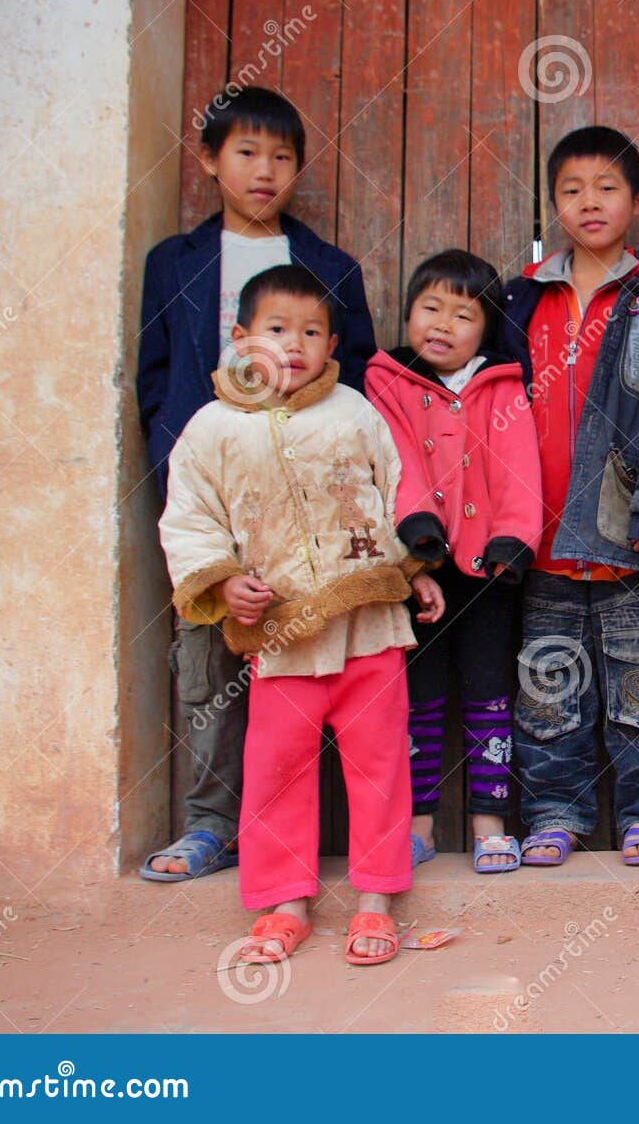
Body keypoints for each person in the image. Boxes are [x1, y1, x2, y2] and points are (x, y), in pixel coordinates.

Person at [159, 265, 435, 965]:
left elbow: (398, 486)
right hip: (280, 635)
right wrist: (222, 584)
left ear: (332, 342)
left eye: (311, 331)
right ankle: (287, 902)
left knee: (378, 763)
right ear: (241, 337)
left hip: (368, 622)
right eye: (277, 329)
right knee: (276, 766)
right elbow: (189, 518)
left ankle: (375, 899)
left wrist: (415, 570)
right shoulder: (211, 428)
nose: (294, 344)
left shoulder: (353, 411)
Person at [136, 86, 376, 882]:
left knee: (313, 661)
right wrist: (180, 468)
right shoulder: (173, 261)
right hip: (212, 491)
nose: (264, 170)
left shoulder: (330, 268)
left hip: (310, 503)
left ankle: (303, 840)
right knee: (207, 660)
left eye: (280, 156)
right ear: (209, 161)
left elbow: (362, 384)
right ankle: (209, 823)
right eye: (245, 152)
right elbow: (155, 377)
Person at [500, 125, 639, 867]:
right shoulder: (521, 300)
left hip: (629, 534)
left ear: (636, 199)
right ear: (553, 206)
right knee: (548, 688)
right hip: (541, 541)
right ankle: (555, 813)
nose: (589, 202)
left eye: (606, 187)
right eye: (571, 190)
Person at [366, 250, 543, 874]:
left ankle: (490, 822)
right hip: (422, 569)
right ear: (408, 312)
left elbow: (520, 467)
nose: (442, 323)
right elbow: (394, 463)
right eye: (430, 307)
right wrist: (418, 531)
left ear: (485, 328)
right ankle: (419, 823)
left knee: (490, 694)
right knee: (419, 697)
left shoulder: (501, 384)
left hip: (488, 572)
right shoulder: (385, 382)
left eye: (462, 314)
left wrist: (514, 539)